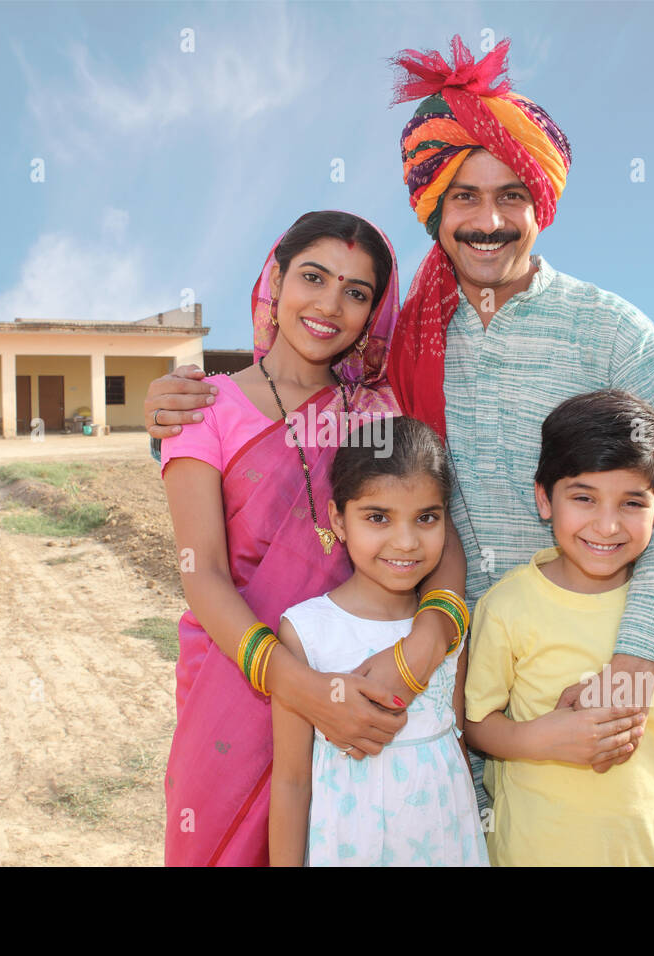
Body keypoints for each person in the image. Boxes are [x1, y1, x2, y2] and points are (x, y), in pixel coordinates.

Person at [147, 37, 654, 800]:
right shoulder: (408, 348)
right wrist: (165, 418)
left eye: (511, 196)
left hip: (586, 678)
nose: (487, 219)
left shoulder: (613, 332)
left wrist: (626, 674)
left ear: (542, 204)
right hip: (436, 694)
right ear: (432, 208)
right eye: (463, 195)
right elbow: (285, 442)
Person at [159, 210, 460, 867]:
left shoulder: (378, 415)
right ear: (276, 278)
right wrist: (297, 687)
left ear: (374, 312)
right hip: (235, 684)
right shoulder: (202, 408)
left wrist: (427, 642)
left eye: (356, 292)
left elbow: (437, 527)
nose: (330, 305)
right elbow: (200, 570)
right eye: (314, 278)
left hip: (362, 685)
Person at [270, 415, 644, 866]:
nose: (405, 541)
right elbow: (291, 782)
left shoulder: (450, 628)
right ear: (338, 519)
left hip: (449, 844)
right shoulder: (307, 632)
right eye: (377, 518)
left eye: (426, 517)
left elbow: (458, 743)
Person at [465, 390, 654, 866]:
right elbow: (476, 724)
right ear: (545, 498)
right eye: (584, 498)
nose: (606, 526)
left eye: (631, 503)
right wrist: (542, 739)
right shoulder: (509, 605)